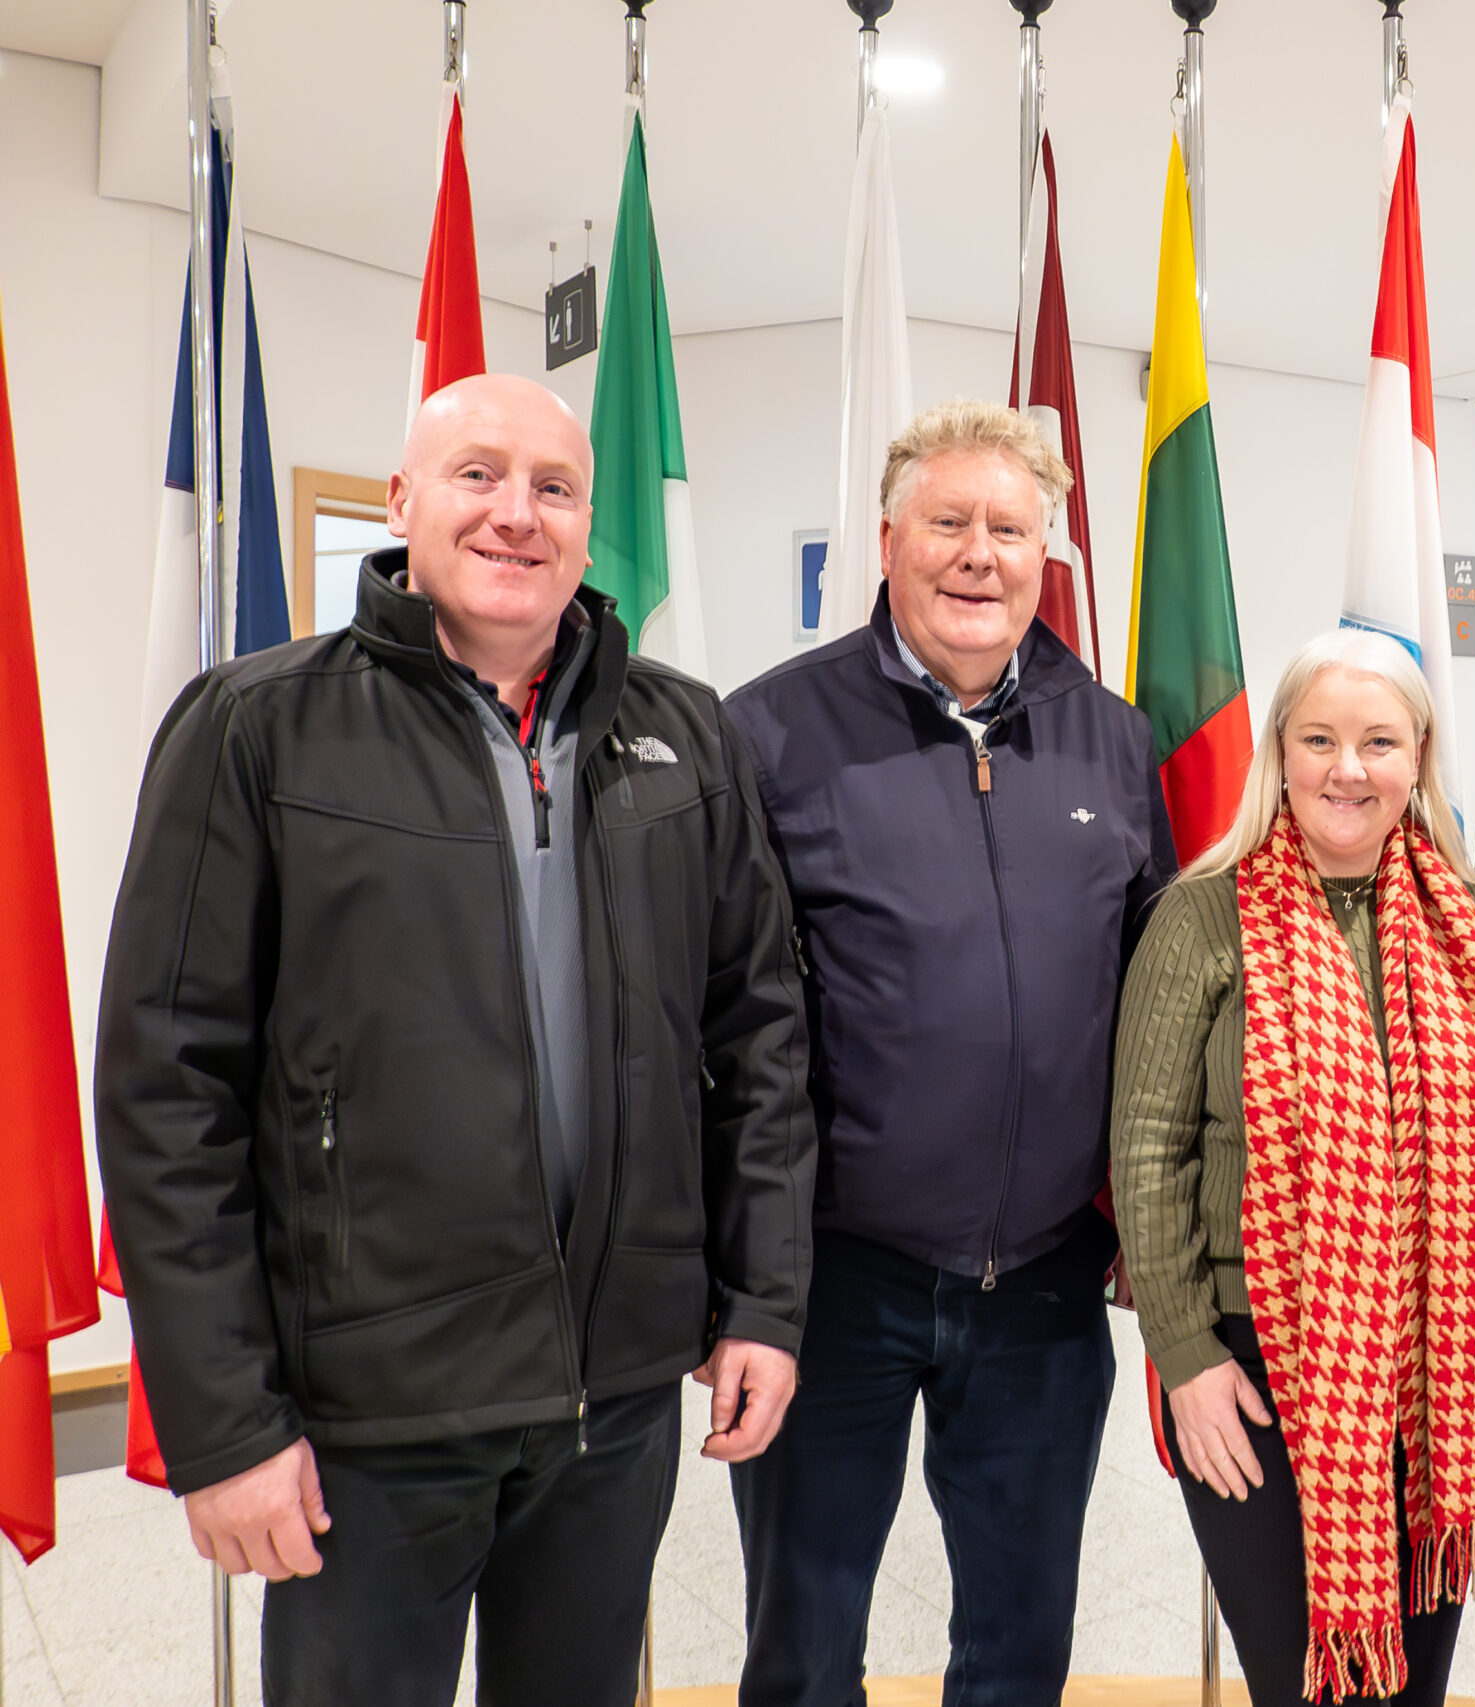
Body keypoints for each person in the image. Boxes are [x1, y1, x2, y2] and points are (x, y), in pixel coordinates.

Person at [93, 373, 815, 1707]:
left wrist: (764, 1296)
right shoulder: (256, 726)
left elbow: (757, 1033)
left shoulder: (681, 732)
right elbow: (166, 1090)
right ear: (404, 502)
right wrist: (226, 1423)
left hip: (613, 1397)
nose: (516, 513)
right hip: (370, 1408)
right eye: (478, 475)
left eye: (552, 487)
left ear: (589, 531)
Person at [722, 399, 1176, 1707]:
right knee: (803, 1648)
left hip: (1041, 1283)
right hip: (835, 1278)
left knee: (1018, 1650)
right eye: (950, 523)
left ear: (1048, 557)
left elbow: (1156, 1002)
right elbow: (725, 1014)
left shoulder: (1112, 733)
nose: (980, 554)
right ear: (888, 539)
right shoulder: (770, 733)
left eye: (1011, 530)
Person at [1112, 628, 1475, 1706]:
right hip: (1251, 1362)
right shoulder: (1202, 916)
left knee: (1412, 1689)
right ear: (1280, 753)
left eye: (1376, 742)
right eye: (1318, 739)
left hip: (1438, 1361)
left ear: (1419, 759)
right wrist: (1183, 1358)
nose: (1347, 769)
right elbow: (1143, 1154)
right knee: (1303, 1684)